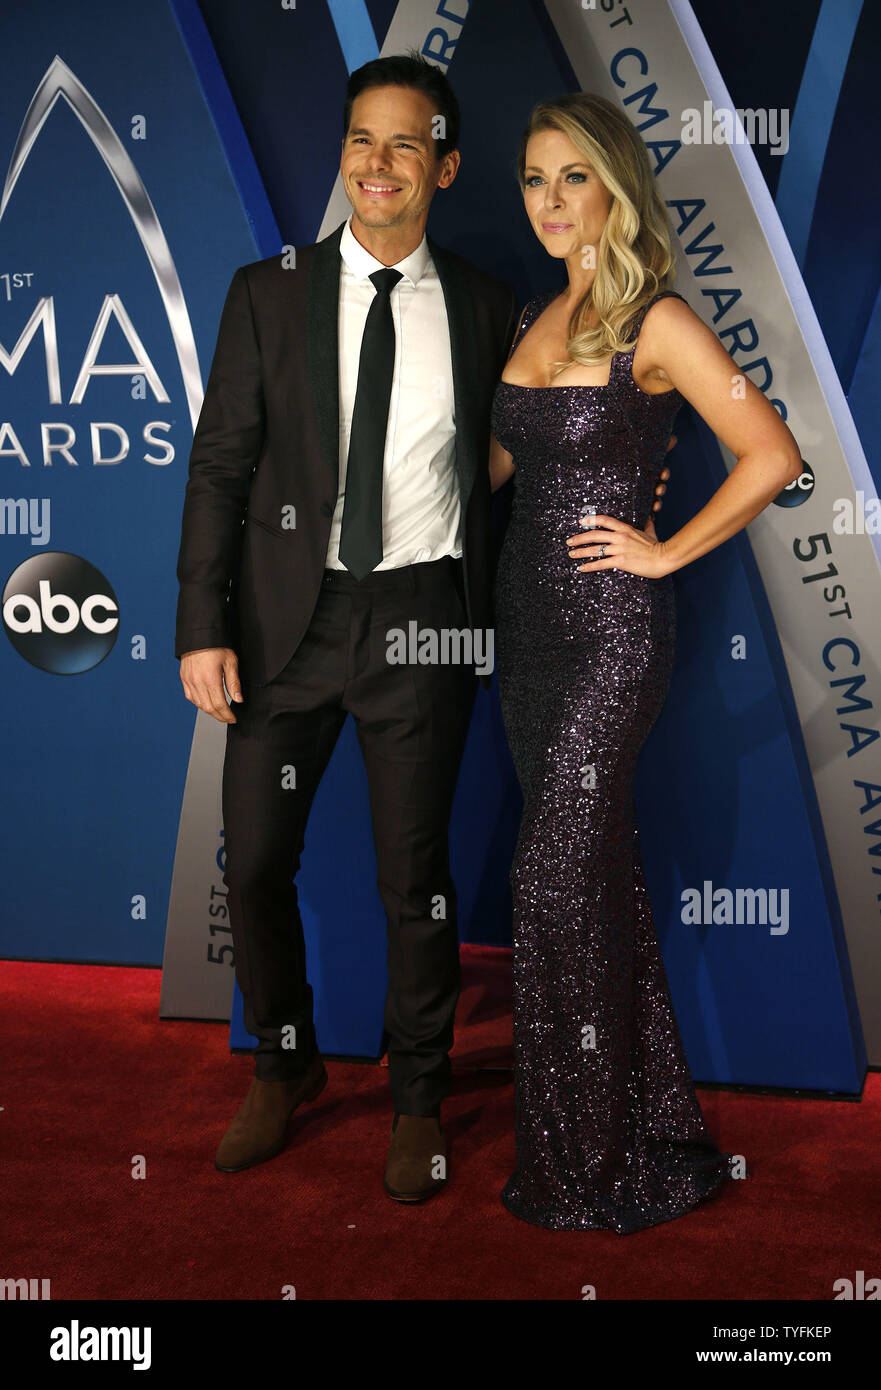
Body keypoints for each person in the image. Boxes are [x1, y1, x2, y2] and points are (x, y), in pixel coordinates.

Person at [175, 55, 667, 1204]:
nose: (377, 164)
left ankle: (415, 1097)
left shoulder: (495, 303)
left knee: (417, 880)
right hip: (288, 625)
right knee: (252, 861)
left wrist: (649, 474)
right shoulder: (265, 291)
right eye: (360, 140)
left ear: (442, 166)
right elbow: (217, 470)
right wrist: (201, 622)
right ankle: (284, 1064)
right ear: (343, 155)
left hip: (423, 624)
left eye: (405, 145)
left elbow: (562, 421)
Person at [489, 93, 801, 1233]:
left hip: (612, 637)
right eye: (532, 179)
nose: (551, 200)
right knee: (596, 881)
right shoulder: (535, 311)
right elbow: (491, 475)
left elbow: (770, 452)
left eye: (573, 177)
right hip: (522, 633)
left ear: (615, 185)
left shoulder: (654, 321)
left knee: (548, 879)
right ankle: (635, 1120)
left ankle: (589, 1163)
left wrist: (663, 548)